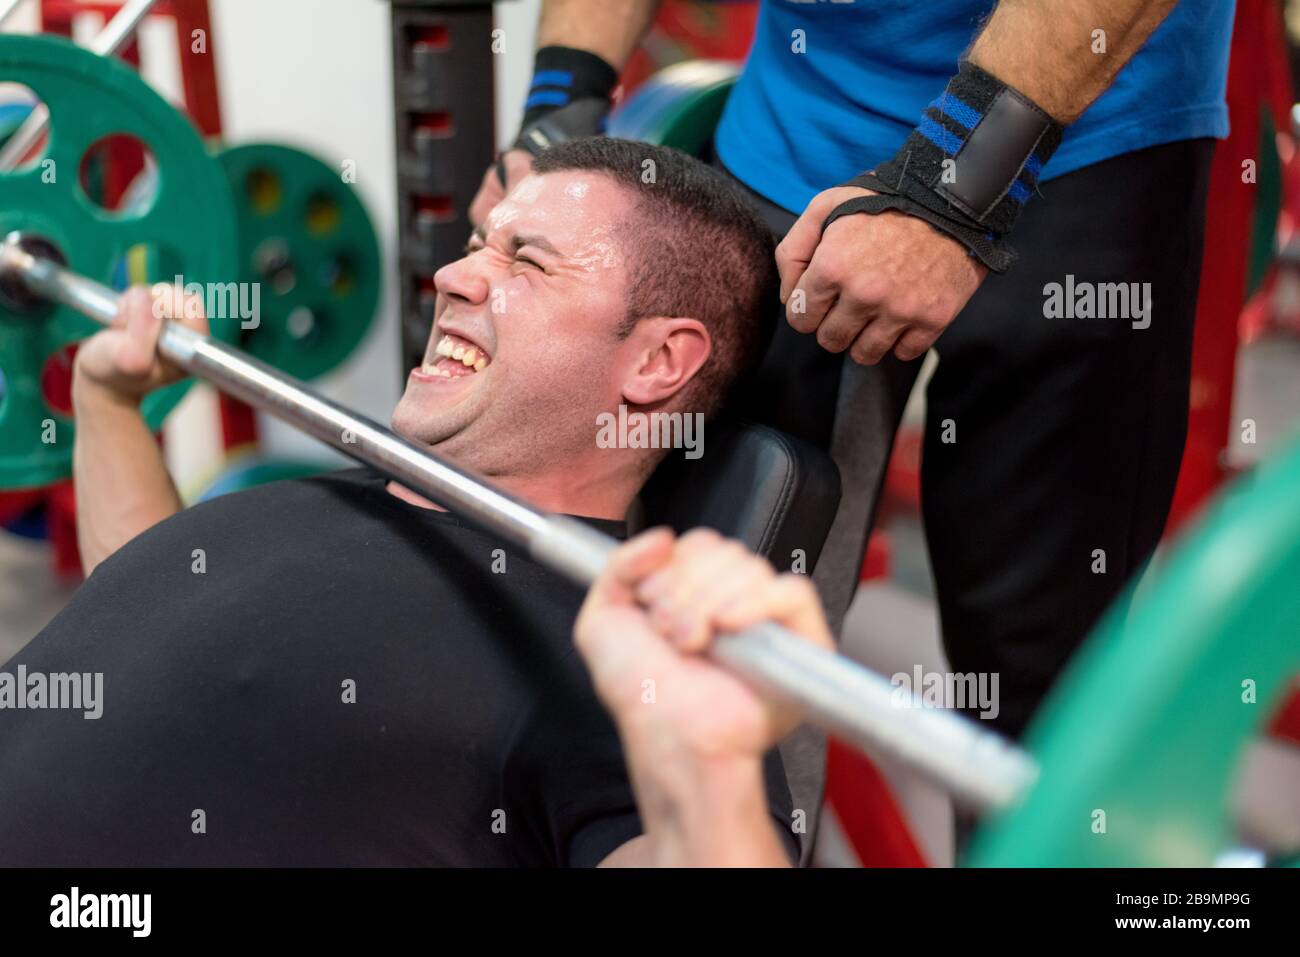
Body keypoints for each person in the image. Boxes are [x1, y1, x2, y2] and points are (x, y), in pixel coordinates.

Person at [0, 139, 802, 867]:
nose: (452, 277)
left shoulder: (614, 657)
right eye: (475, 247)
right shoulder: (338, 490)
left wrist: (713, 779)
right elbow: (142, 588)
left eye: (526, 262)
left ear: (660, 361)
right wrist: (105, 398)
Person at [474, 0, 1231, 755]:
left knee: (1038, 691)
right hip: (799, 121)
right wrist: (560, 104)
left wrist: (953, 186)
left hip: (1084, 139)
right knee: (707, 620)